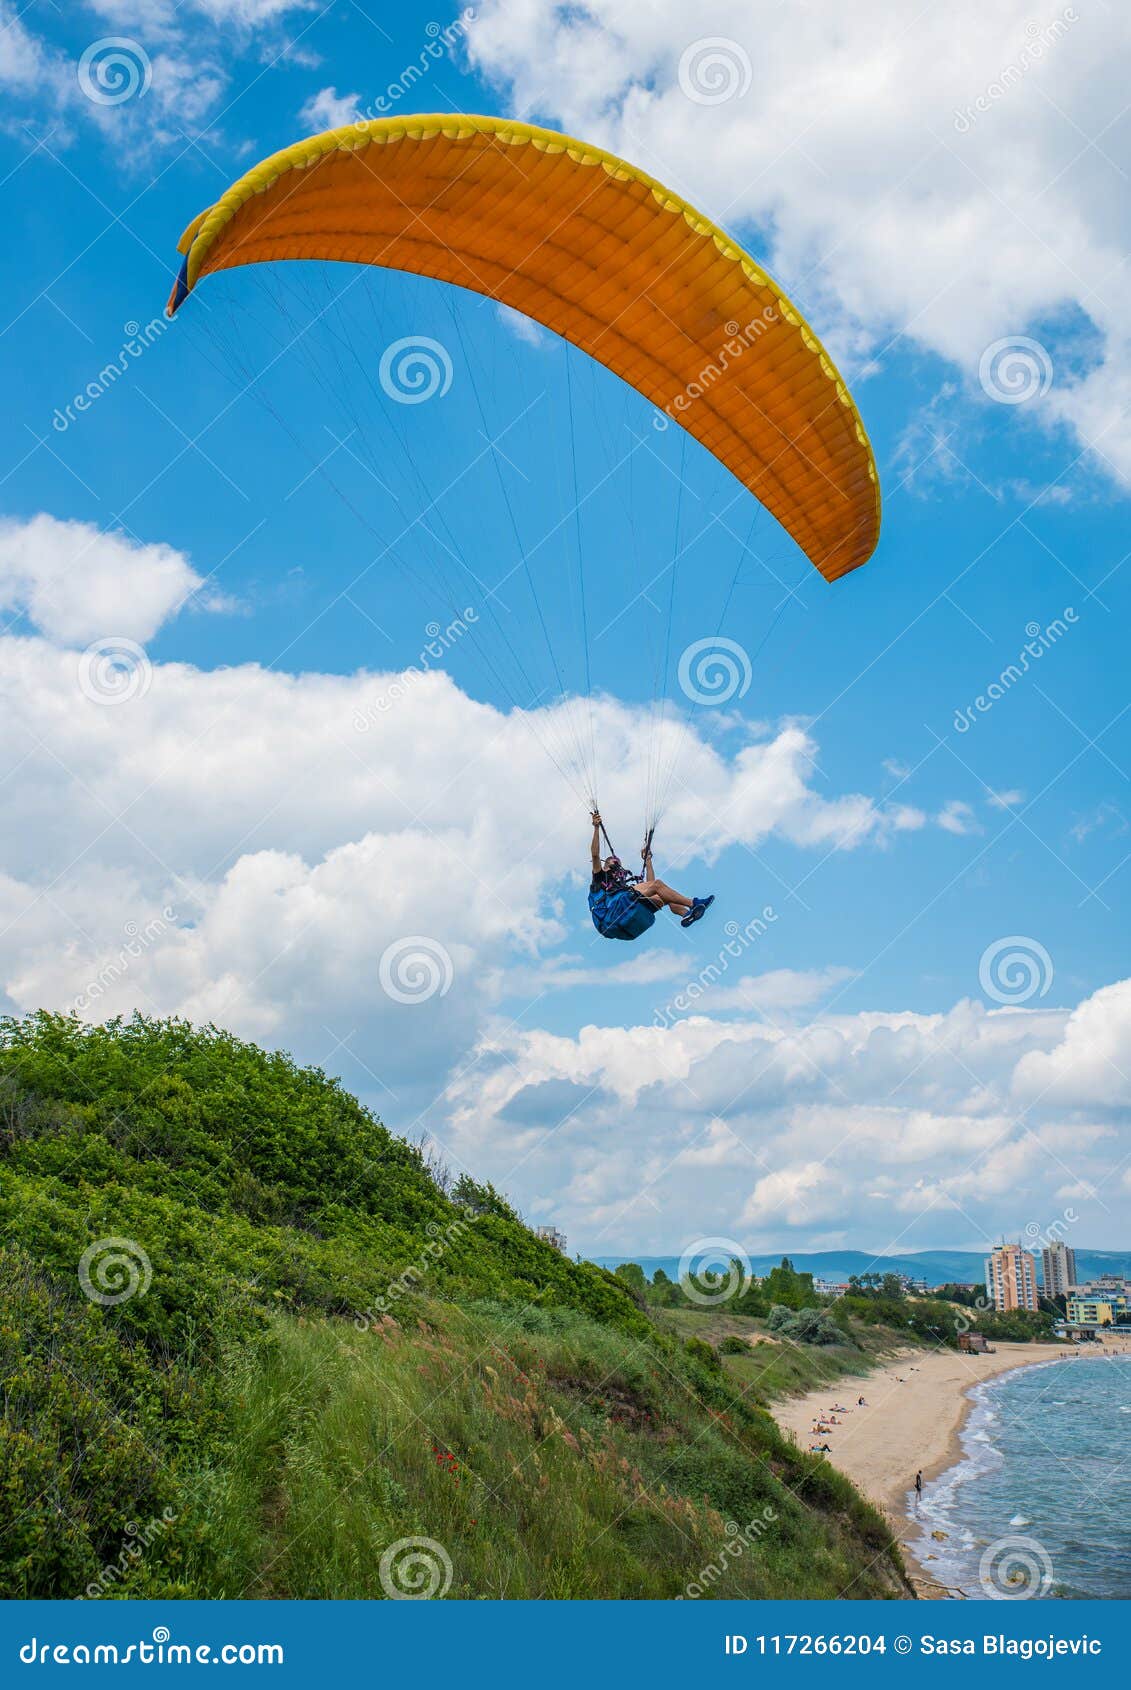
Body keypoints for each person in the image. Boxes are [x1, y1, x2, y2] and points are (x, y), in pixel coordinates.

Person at [588, 811, 714, 941]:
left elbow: (653, 887)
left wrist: (648, 861)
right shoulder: (599, 878)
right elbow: (595, 855)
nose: (618, 868)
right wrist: (596, 827)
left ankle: (686, 914)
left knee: (662, 896)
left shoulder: (621, 887)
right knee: (657, 885)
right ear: (605, 866)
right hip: (611, 914)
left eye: (619, 865)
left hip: (621, 913)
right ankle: (693, 903)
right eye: (614, 864)